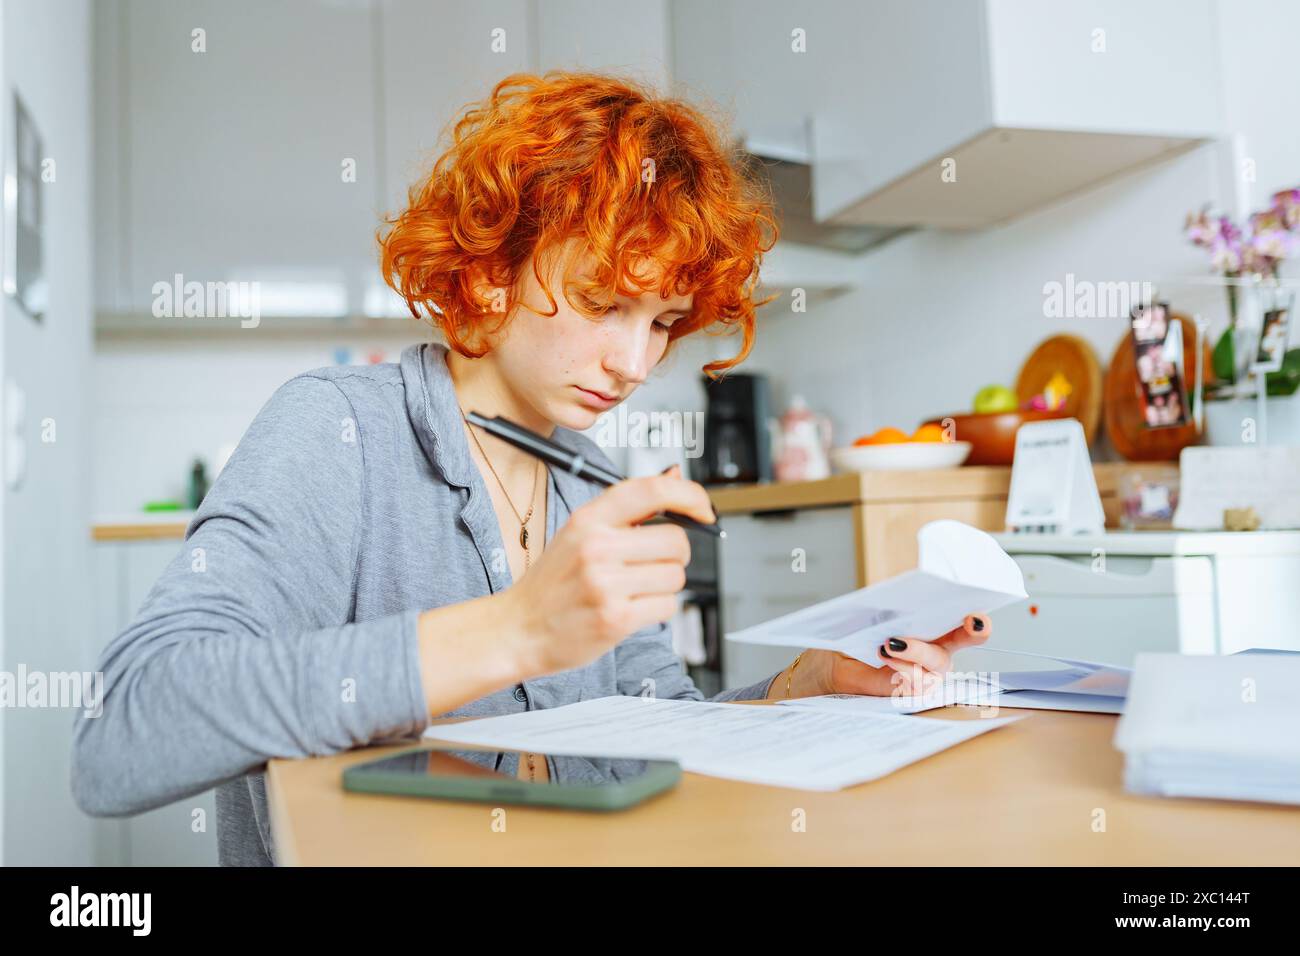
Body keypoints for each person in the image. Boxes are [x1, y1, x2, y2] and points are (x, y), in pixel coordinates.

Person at [72, 72, 990, 866]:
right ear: (492, 270)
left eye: (664, 321)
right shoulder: (339, 430)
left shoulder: (587, 476)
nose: (635, 363)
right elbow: (122, 731)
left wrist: (808, 686)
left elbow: (652, 727)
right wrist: (513, 629)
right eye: (603, 301)